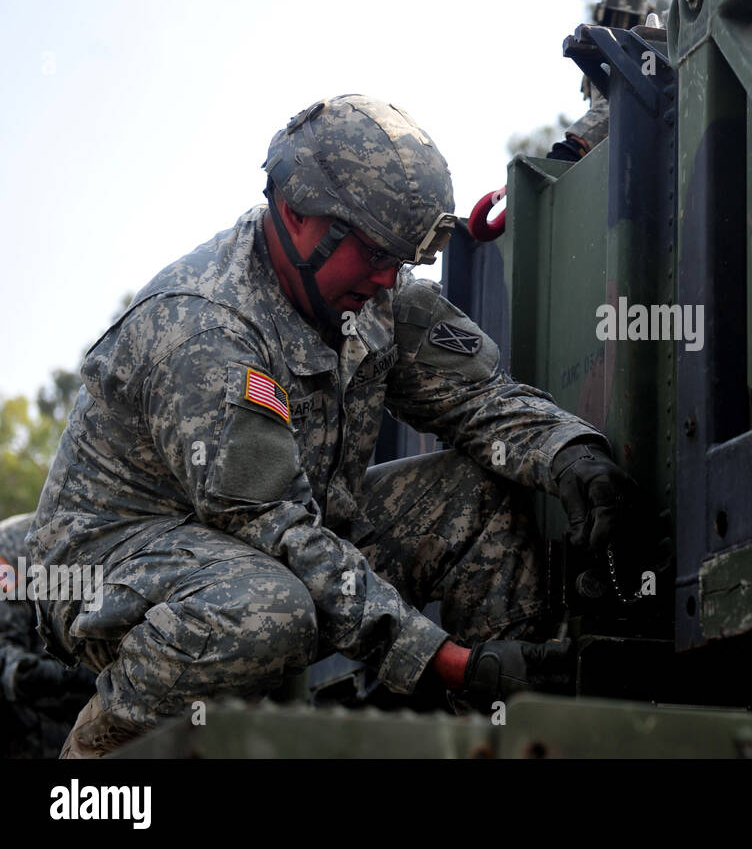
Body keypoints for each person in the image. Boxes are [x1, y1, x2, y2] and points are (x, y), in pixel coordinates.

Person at [30, 94, 637, 758]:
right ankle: (101, 756)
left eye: (401, 259)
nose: (387, 278)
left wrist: (569, 451)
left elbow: (480, 400)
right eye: (375, 252)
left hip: (277, 536)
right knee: (266, 607)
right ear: (296, 214)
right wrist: (450, 658)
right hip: (117, 566)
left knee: (476, 495)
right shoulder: (203, 328)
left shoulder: (373, 292)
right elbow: (279, 532)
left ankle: (507, 735)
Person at [0, 513, 97, 758]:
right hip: (38, 716)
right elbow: (13, 663)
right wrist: (80, 674)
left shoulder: (100, 533)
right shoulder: (10, 550)